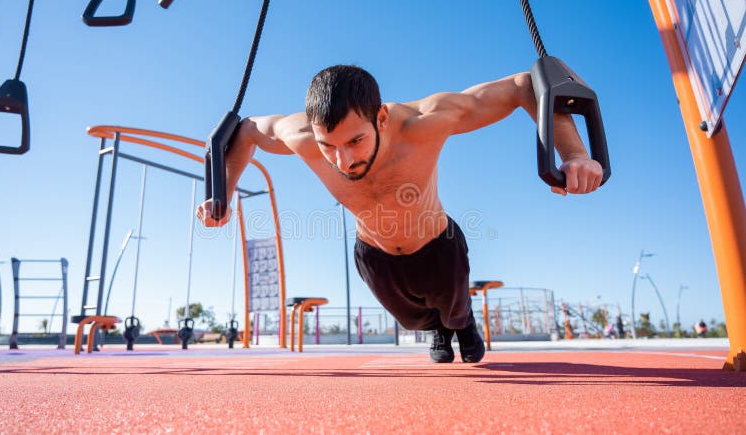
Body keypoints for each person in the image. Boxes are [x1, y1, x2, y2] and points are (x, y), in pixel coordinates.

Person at [197, 65, 603, 363]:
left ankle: (461, 323)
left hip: (437, 244)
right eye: (328, 145)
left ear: (382, 118)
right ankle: (440, 327)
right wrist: (223, 196)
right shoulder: (300, 135)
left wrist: (575, 154)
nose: (343, 159)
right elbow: (246, 130)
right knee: (413, 321)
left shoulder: (425, 122)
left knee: (454, 307)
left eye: (356, 140)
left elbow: (524, 85)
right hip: (373, 253)